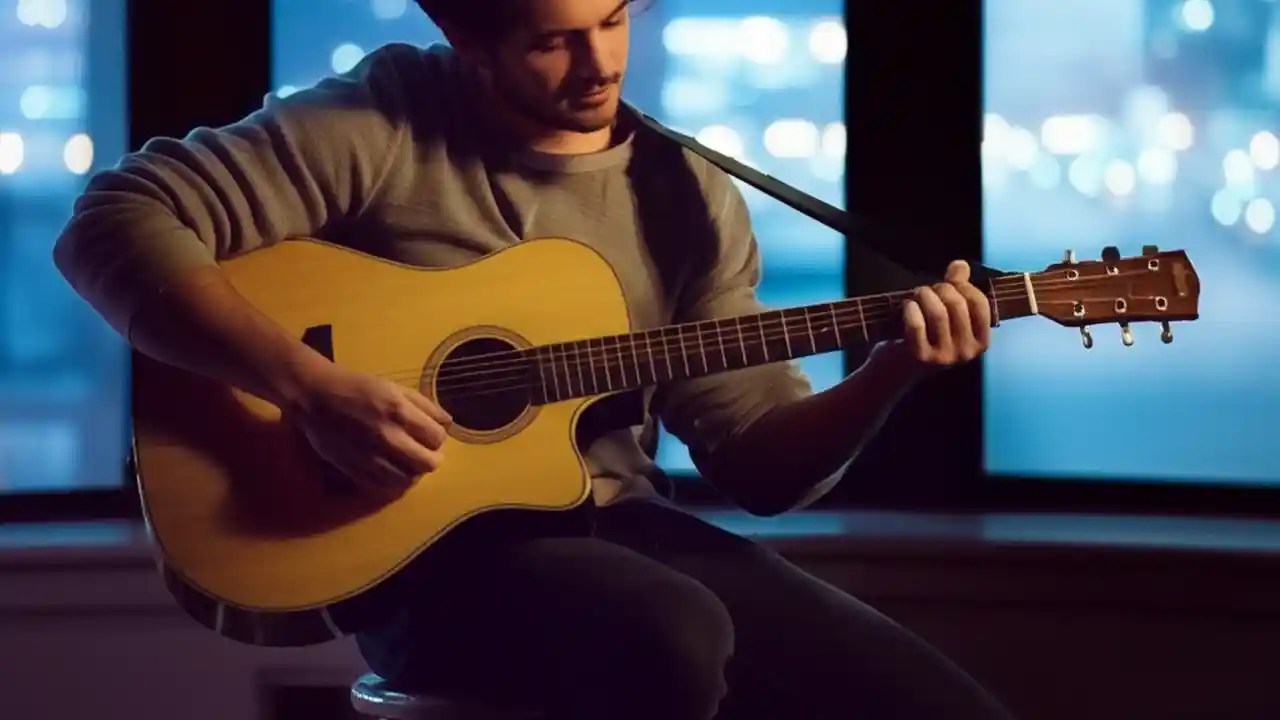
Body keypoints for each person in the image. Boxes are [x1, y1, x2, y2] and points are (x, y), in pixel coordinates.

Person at [52, 0, 1014, 717]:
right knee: (670, 632)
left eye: (613, 20)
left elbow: (759, 465)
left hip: (620, 529)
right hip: (417, 556)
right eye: (553, 40)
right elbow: (112, 223)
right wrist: (308, 387)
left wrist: (889, 372)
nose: (599, 65)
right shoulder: (384, 120)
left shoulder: (684, 193)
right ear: (465, 36)